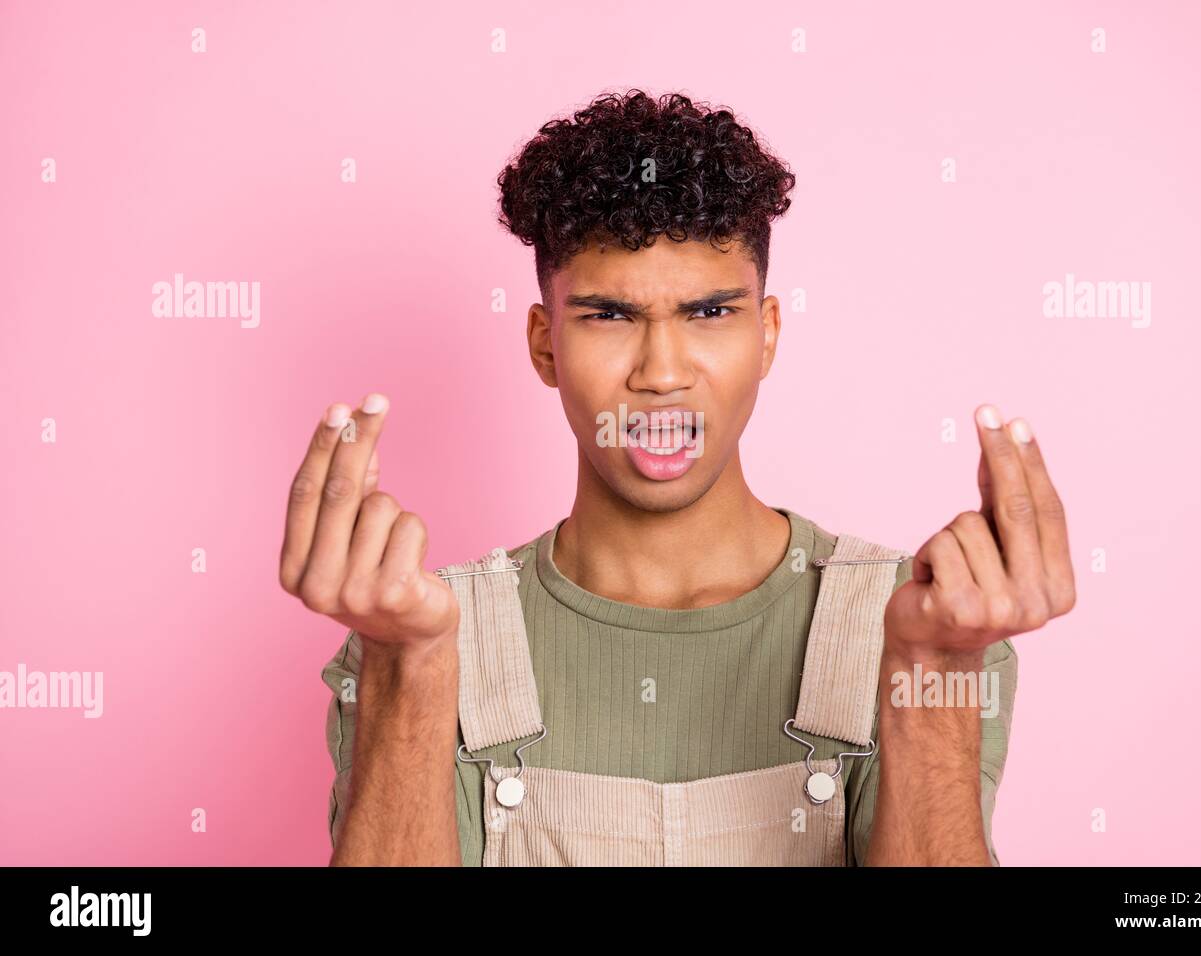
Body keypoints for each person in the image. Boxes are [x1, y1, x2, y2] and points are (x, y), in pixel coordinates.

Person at [279, 89, 1076, 867]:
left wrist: (933, 671)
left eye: (708, 313)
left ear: (766, 335)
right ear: (545, 344)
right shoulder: (410, 640)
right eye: (610, 316)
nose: (661, 373)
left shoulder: (924, 627)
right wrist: (409, 666)